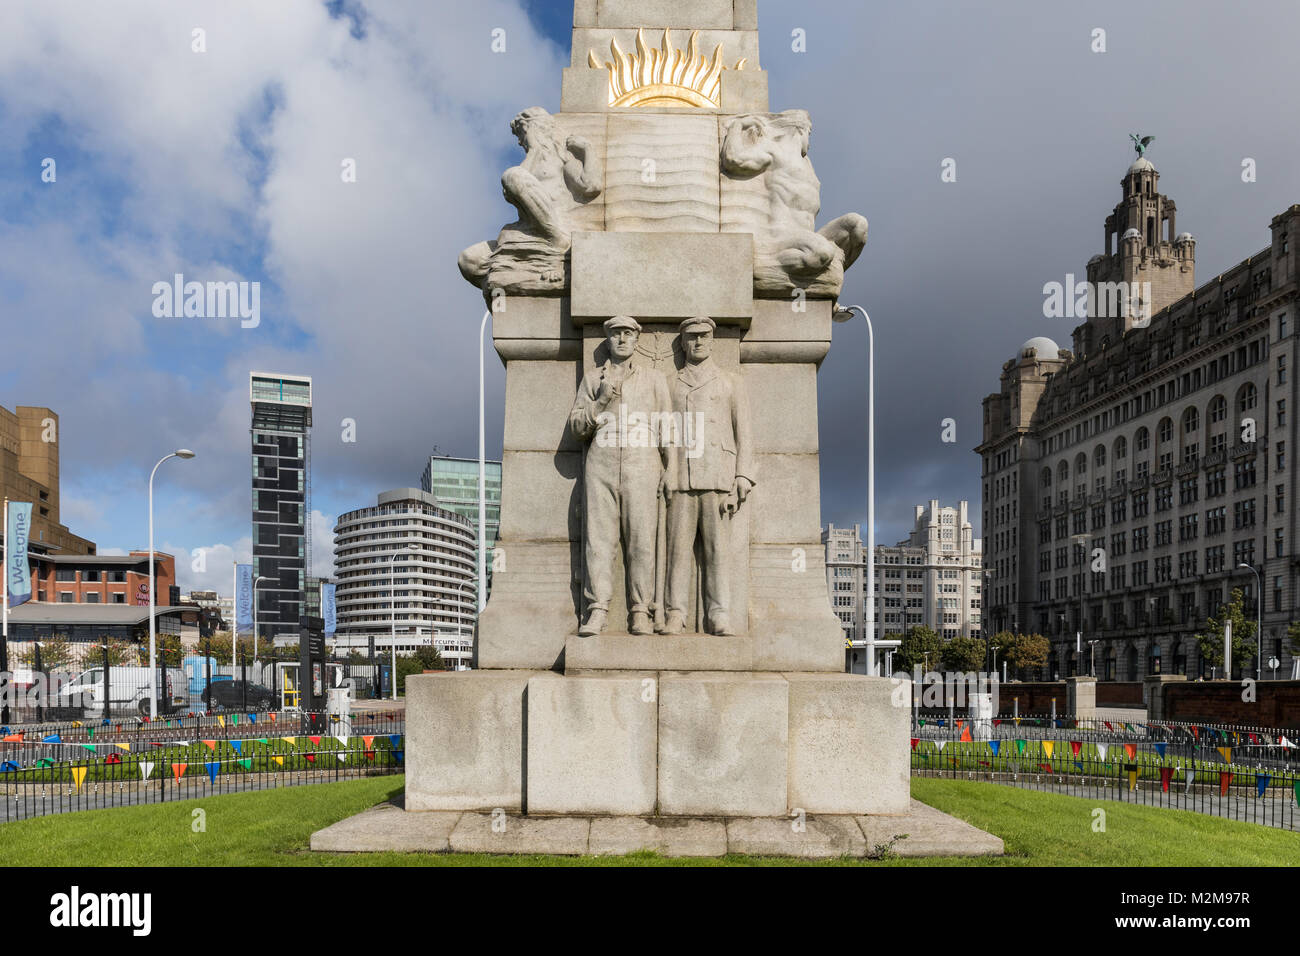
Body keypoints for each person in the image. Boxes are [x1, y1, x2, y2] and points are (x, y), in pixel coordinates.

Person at [569, 316, 671, 636]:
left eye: (628, 333)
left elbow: (667, 427)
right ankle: (597, 609)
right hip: (601, 463)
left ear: (637, 340)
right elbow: (576, 428)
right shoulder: (591, 379)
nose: (622, 339)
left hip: (643, 464)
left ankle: (640, 609)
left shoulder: (655, 380)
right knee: (599, 541)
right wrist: (600, 401)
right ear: (608, 340)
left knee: (642, 540)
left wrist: (671, 469)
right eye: (616, 334)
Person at [661, 316, 755, 636]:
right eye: (691, 337)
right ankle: (676, 613)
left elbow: (745, 434)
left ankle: (719, 614)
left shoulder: (730, 382)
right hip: (681, 478)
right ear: (683, 342)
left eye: (703, 336)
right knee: (678, 552)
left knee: (718, 552)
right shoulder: (671, 383)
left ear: (712, 340)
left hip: (718, 476)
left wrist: (742, 476)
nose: (698, 342)